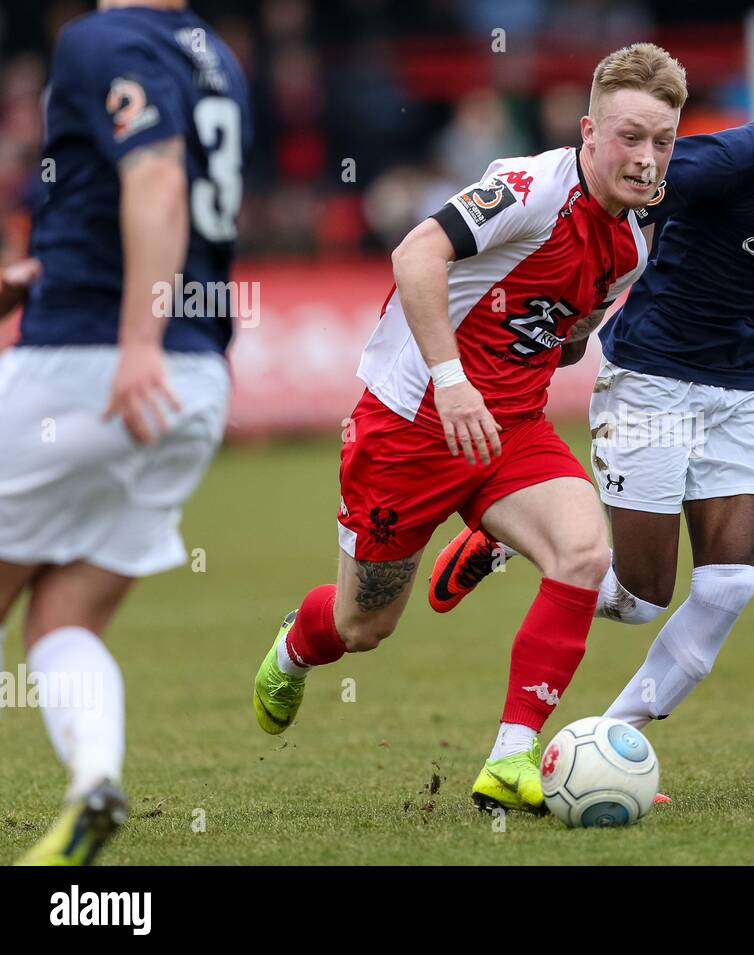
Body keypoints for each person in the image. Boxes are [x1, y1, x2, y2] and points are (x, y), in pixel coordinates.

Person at [428, 55, 754, 761]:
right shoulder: (729, 158)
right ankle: (511, 538)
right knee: (642, 597)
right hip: (656, 375)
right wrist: (580, 308)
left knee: (730, 585)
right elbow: (618, 197)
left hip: (750, 386)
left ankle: (606, 742)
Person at [251, 43, 687, 815]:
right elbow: (416, 253)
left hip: (509, 426)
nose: (647, 159)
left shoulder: (632, 249)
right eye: (630, 137)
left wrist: (570, 330)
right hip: (411, 421)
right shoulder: (528, 187)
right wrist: (451, 380)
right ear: (588, 131)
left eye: (663, 142)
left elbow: (567, 330)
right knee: (365, 624)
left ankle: (509, 757)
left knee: (584, 550)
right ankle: (292, 647)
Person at [0, 0, 250, 864]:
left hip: (95, 366)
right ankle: (93, 781)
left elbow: (156, 177)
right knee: (63, 618)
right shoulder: (216, 58)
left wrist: (137, 337)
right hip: (194, 384)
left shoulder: (96, 38)